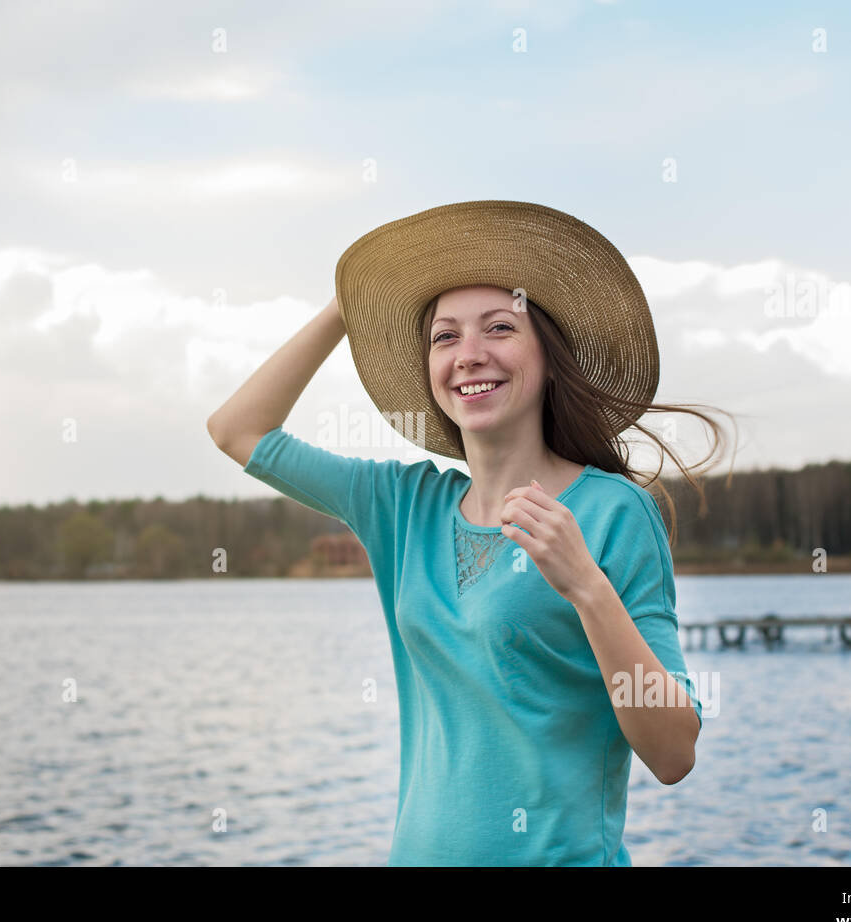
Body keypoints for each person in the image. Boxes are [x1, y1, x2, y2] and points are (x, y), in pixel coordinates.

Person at [207, 200, 735, 866]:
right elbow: (238, 431)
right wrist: (353, 305)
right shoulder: (403, 506)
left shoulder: (612, 512)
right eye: (444, 336)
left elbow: (673, 751)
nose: (469, 354)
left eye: (499, 328)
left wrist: (586, 587)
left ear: (547, 355)